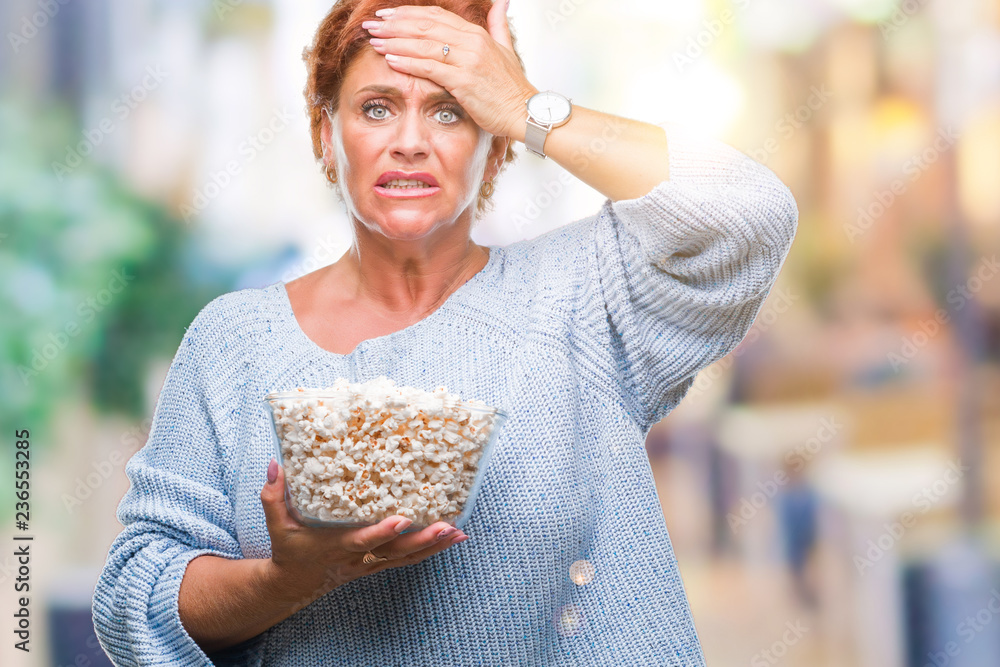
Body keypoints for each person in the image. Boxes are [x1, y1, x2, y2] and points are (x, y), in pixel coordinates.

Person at [91, 0, 799, 664]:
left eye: (450, 111)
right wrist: (290, 578)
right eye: (376, 108)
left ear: (494, 146)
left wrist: (528, 108)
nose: (409, 143)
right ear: (326, 136)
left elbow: (751, 212)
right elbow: (131, 600)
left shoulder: (582, 296)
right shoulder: (234, 343)